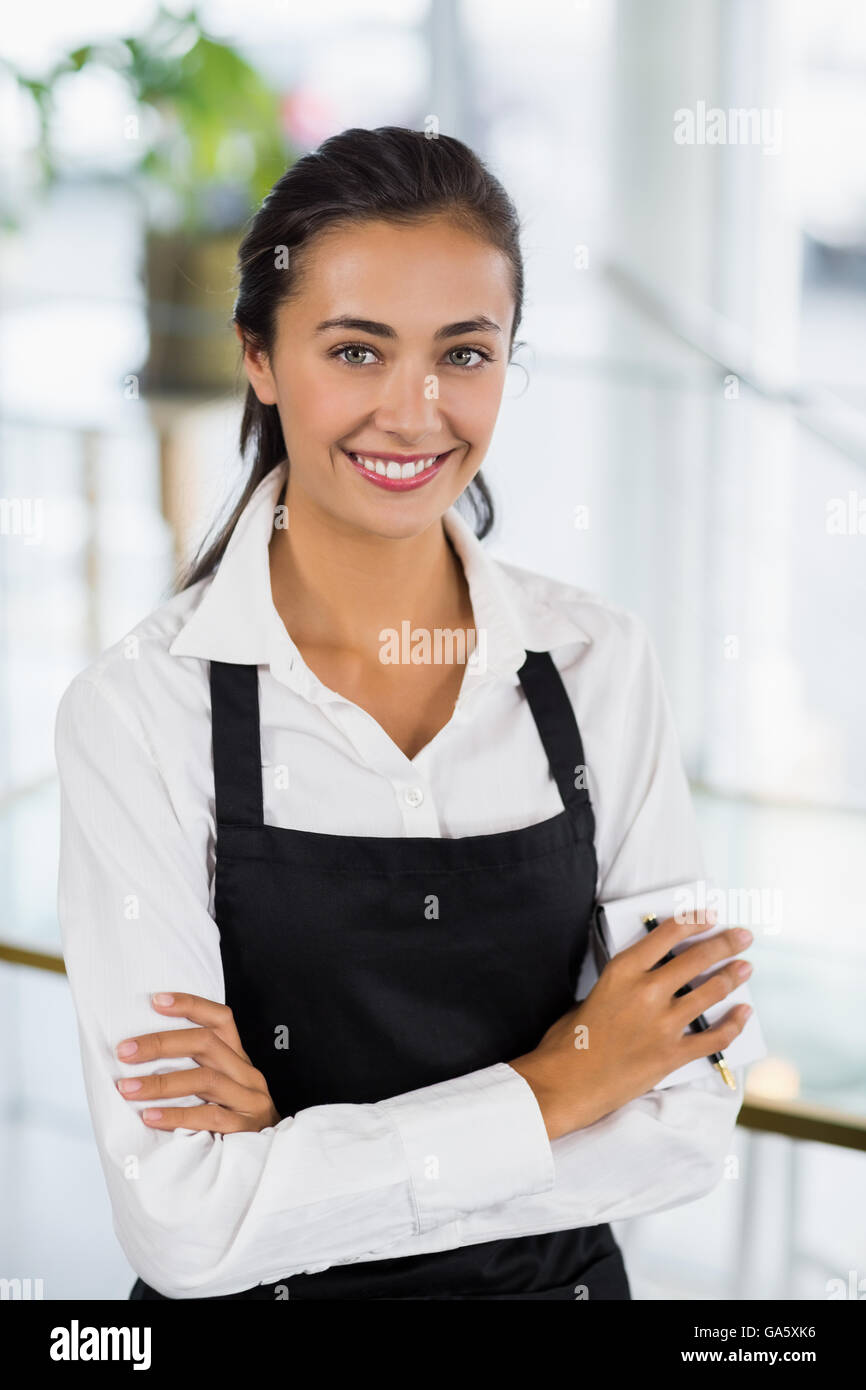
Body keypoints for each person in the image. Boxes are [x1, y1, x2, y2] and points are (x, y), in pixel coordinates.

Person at [55, 126, 752, 1301]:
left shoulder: (597, 666)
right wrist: (568, 1082)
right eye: (355, 349)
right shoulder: (140, 711)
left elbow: (685, 1120)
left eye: (465, 354)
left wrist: (297, 1154)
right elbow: (182, 1225)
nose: (414, 410)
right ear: (260, 359)